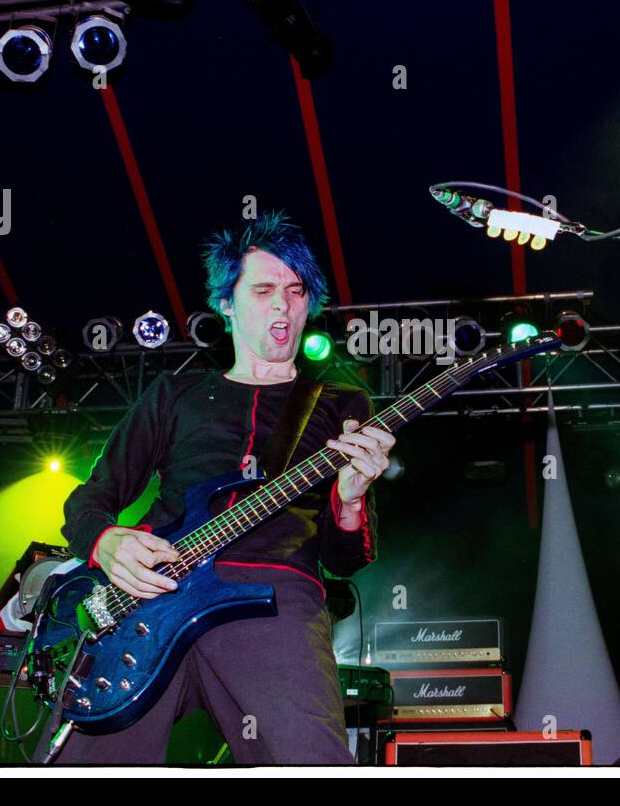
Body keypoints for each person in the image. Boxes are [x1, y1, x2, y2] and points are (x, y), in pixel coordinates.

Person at [38, 212, 395, 764]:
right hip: (151, 599)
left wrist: (349, 499)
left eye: (296, 291)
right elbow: (92, 497)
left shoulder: (339, 404)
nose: (283, 305)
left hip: (272, 598)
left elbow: (346, 558)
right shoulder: (173, 395)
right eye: (264, 290)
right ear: (226, 303)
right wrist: (106, 543)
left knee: (314, 760)